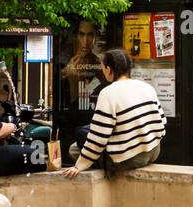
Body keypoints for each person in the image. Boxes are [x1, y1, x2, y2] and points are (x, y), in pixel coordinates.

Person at [62, 49, 165, 179]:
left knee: (75, 147)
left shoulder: (108, 93)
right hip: (153, 152)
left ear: (109, 69)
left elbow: (98, 139)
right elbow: (161, 122)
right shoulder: (147, 87)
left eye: (103, 68)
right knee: (87, 132)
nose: (102, 71)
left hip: (128, 159)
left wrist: (79, 166)